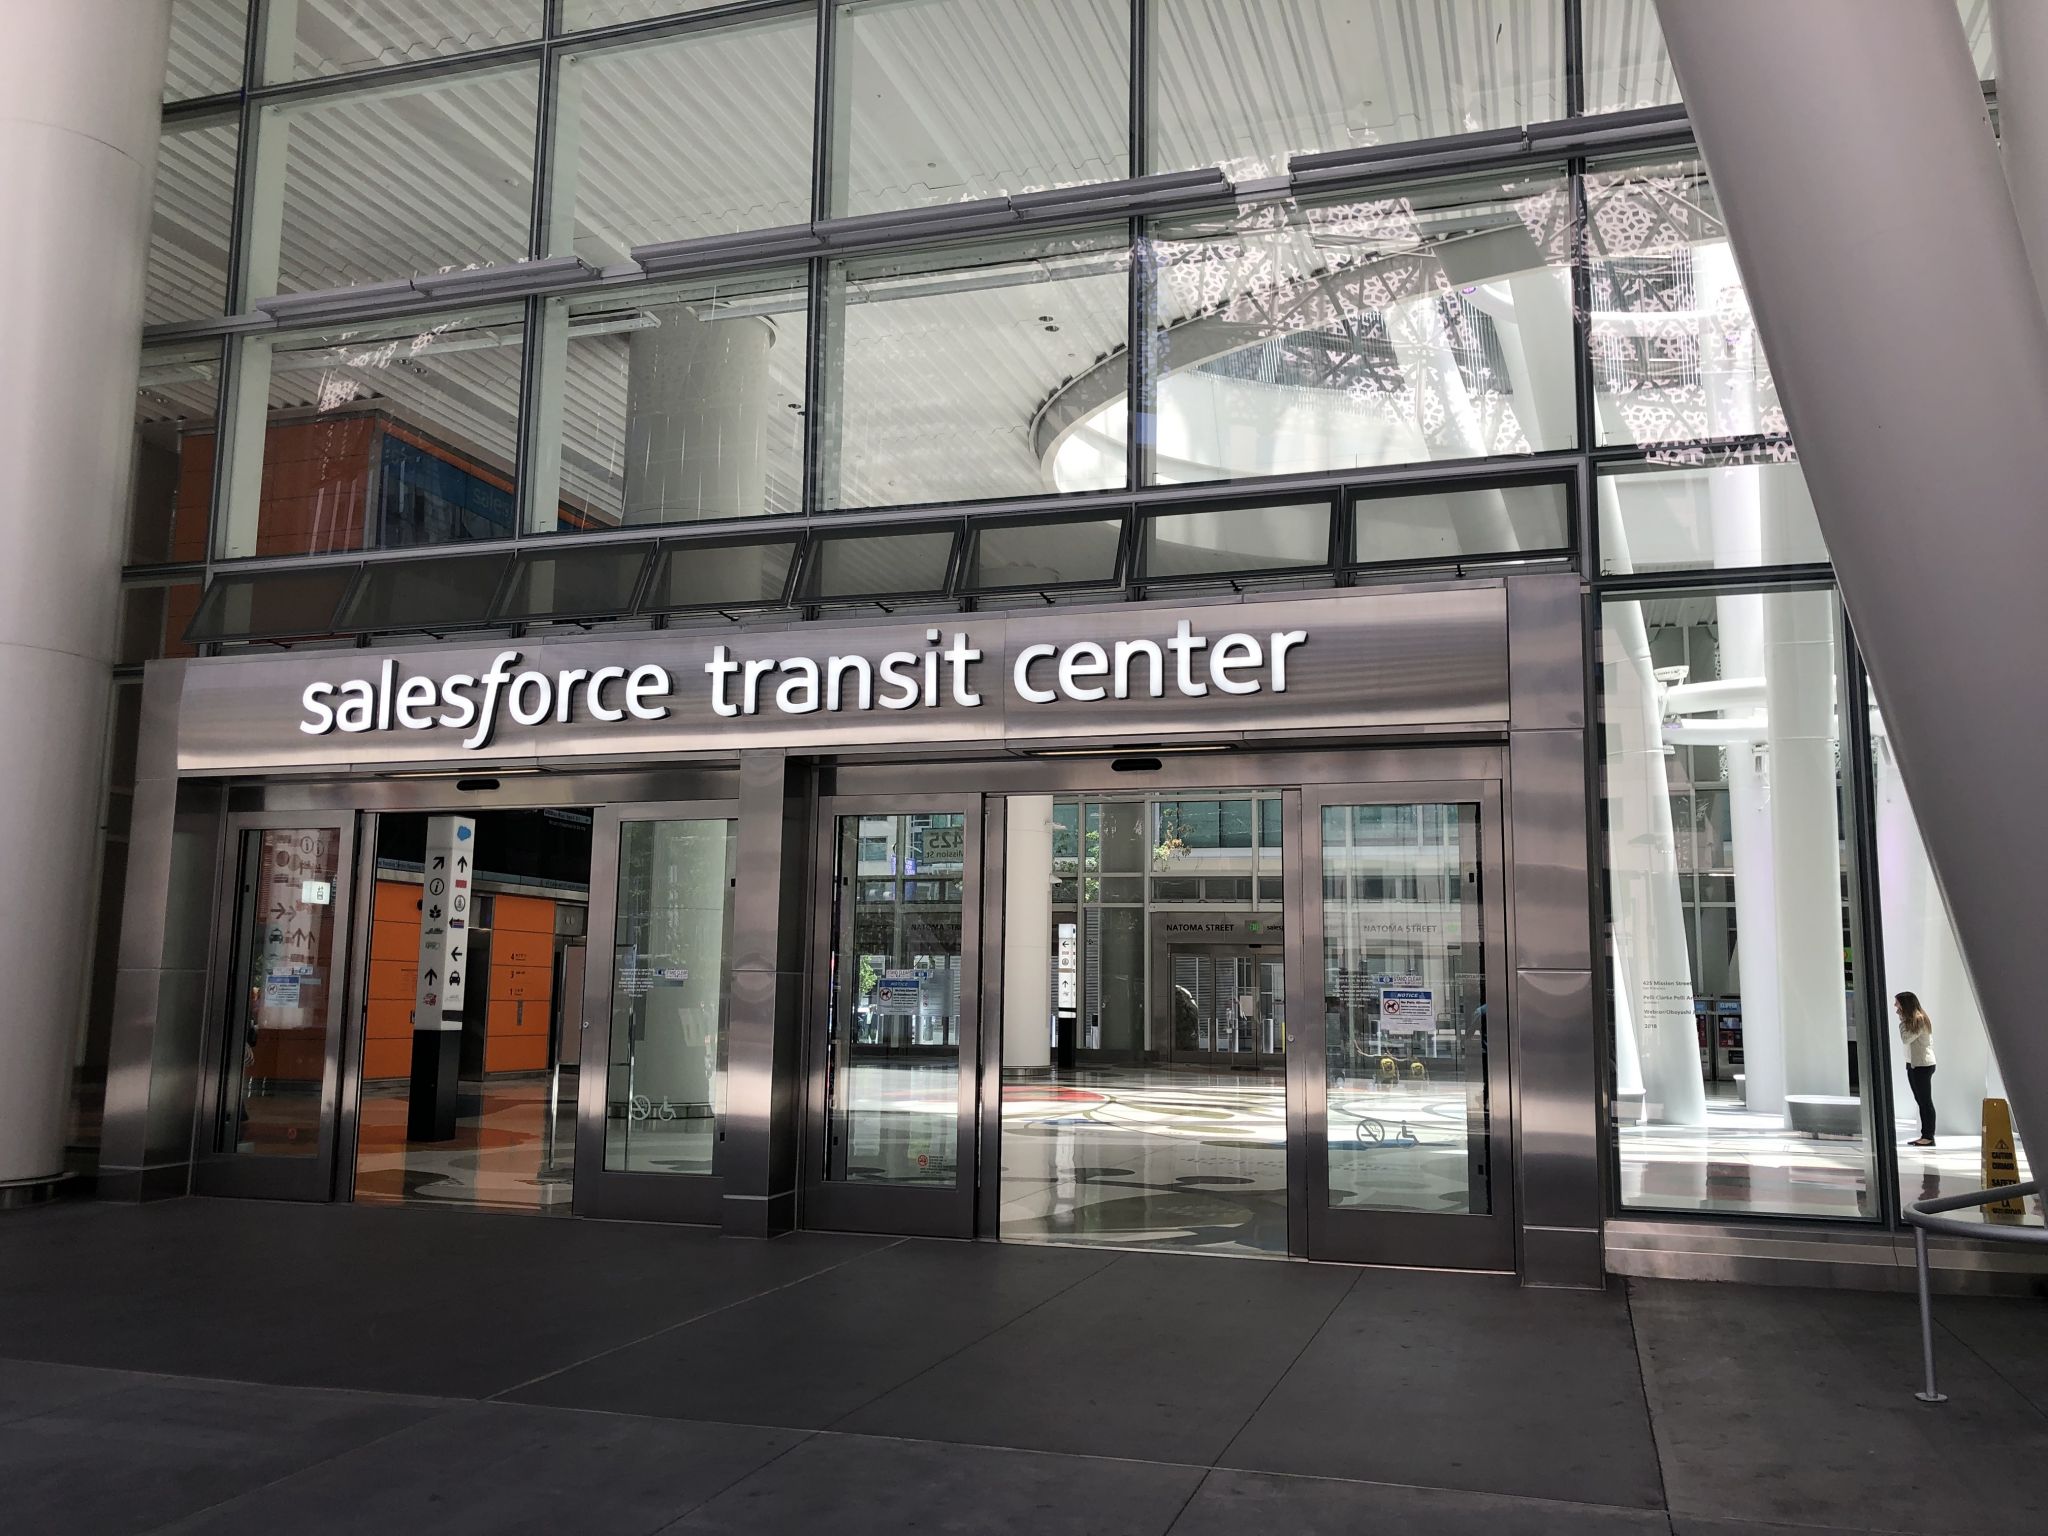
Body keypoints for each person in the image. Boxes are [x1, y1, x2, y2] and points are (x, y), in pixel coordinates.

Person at [1896, 991, 1937, 1147]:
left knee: (1925, 1101)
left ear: (1905, 1004)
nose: (1896, 1007)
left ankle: (1928, 1136)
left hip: (1923, 1065)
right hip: (1914, 1064)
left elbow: (1906, 1038)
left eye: (1898, 1003)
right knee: (1921, 1101)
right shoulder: (1912, 1020)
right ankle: (1925, 1135)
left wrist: (1902, 1021)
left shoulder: (1918, 1020)